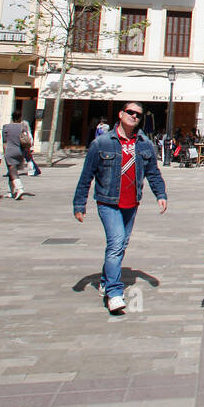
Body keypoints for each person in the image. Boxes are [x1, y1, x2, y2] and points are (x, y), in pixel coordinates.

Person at [72, 101, 167, 315]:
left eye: (138, 114)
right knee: (115, 243)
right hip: (108, 201)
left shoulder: (144, 143)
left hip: (131, 202)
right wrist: (80, 203)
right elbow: (86, 176)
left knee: (121, 244)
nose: (134, 116)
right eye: (130, 112)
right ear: (121, 114)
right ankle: (114, 293)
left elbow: (153, 172)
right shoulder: (102, 143)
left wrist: (160, 194)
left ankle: (106, 280)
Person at [1, 108, 33, 200]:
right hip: (20, 151)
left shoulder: (6, 127)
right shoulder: (23, 127)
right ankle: (11, 191)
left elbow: (4, 142)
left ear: (12, 117)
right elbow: (27, 139)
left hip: (10, 150)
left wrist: (5, 152)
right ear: (20, 117)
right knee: (13, 170)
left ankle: (19, 188)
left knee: (12, 171)